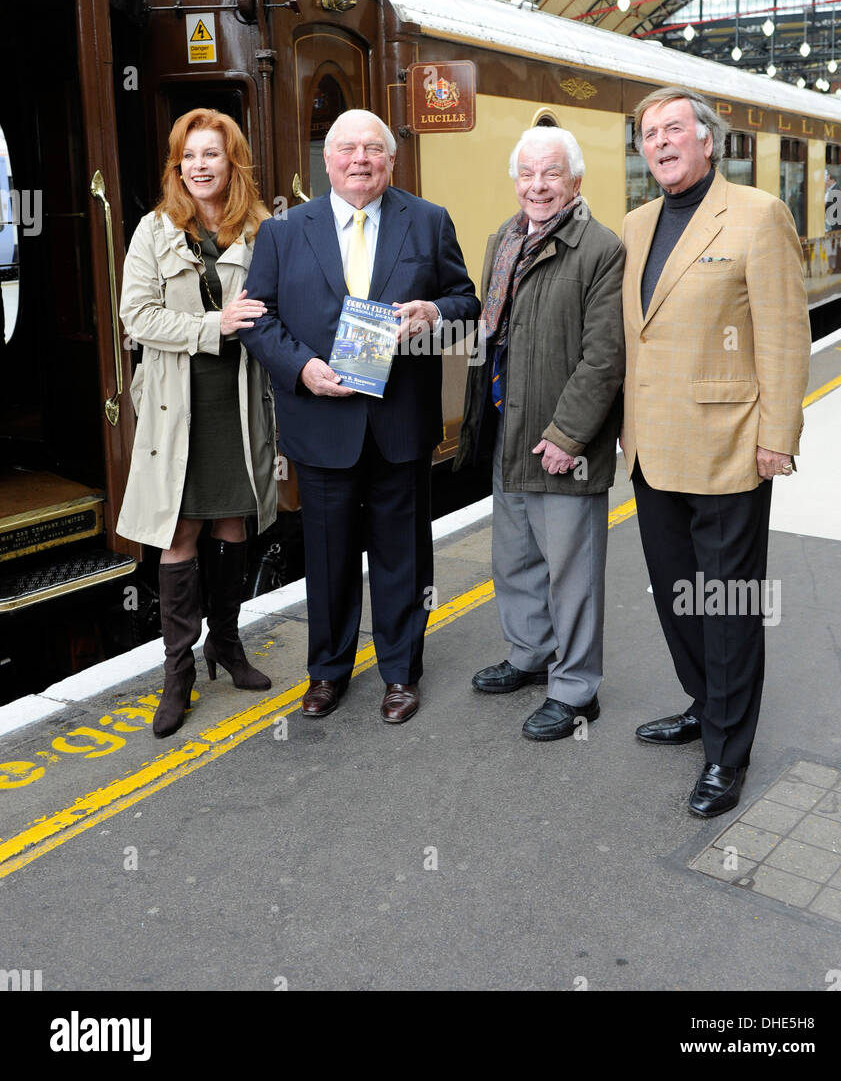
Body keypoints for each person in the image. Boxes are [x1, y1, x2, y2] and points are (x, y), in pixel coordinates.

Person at [238, 109, 479, 724]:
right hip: (321, 422)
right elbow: (258, 318)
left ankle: (400, 674)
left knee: (403, 556)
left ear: (391, 160)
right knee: (327, 556)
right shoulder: (285, 231)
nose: (360, 160)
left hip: (400, 421)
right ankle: (328, 672)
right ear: (328, 160)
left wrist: (435, 314)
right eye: (347, 149)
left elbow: (467, 302)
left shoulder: (428, 222)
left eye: (374, 149)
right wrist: (302, 370)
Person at [622, 86, 810, 816]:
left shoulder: (758, 214)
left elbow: (784, 334)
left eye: (674, 128)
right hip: (650, 448)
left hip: (729, 444)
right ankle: (705, 705)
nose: (661, 142)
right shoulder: (636, 224)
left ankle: (726, 755)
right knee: (676, 598)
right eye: (648, 133)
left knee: (725, 603)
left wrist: (777, 436)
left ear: (708, 140)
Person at [456, 127, 625, 741]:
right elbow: (495, 330)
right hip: (510, 425)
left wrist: (570, 434)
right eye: (527, 173)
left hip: (562, 440)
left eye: (551, 173)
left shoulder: (599, 248)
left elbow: (604, 357)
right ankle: (529, 654)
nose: (538, 185)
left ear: (575, 181)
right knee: (516, 557)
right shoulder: (504, 239)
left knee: (571, 570)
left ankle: (577, 688)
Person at [117, 109, 278, 739]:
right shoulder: (154, 232)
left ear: (231, 161)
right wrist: (214, 327)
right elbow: (138, 317)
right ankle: (177, 671)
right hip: (175, 404)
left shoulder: (262, 230)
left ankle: (228, 645)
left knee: (234, 521)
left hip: (238, 400)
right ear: (176, 166)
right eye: (188, 157)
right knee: (180, 528)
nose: (199, 167)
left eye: (210, 155)